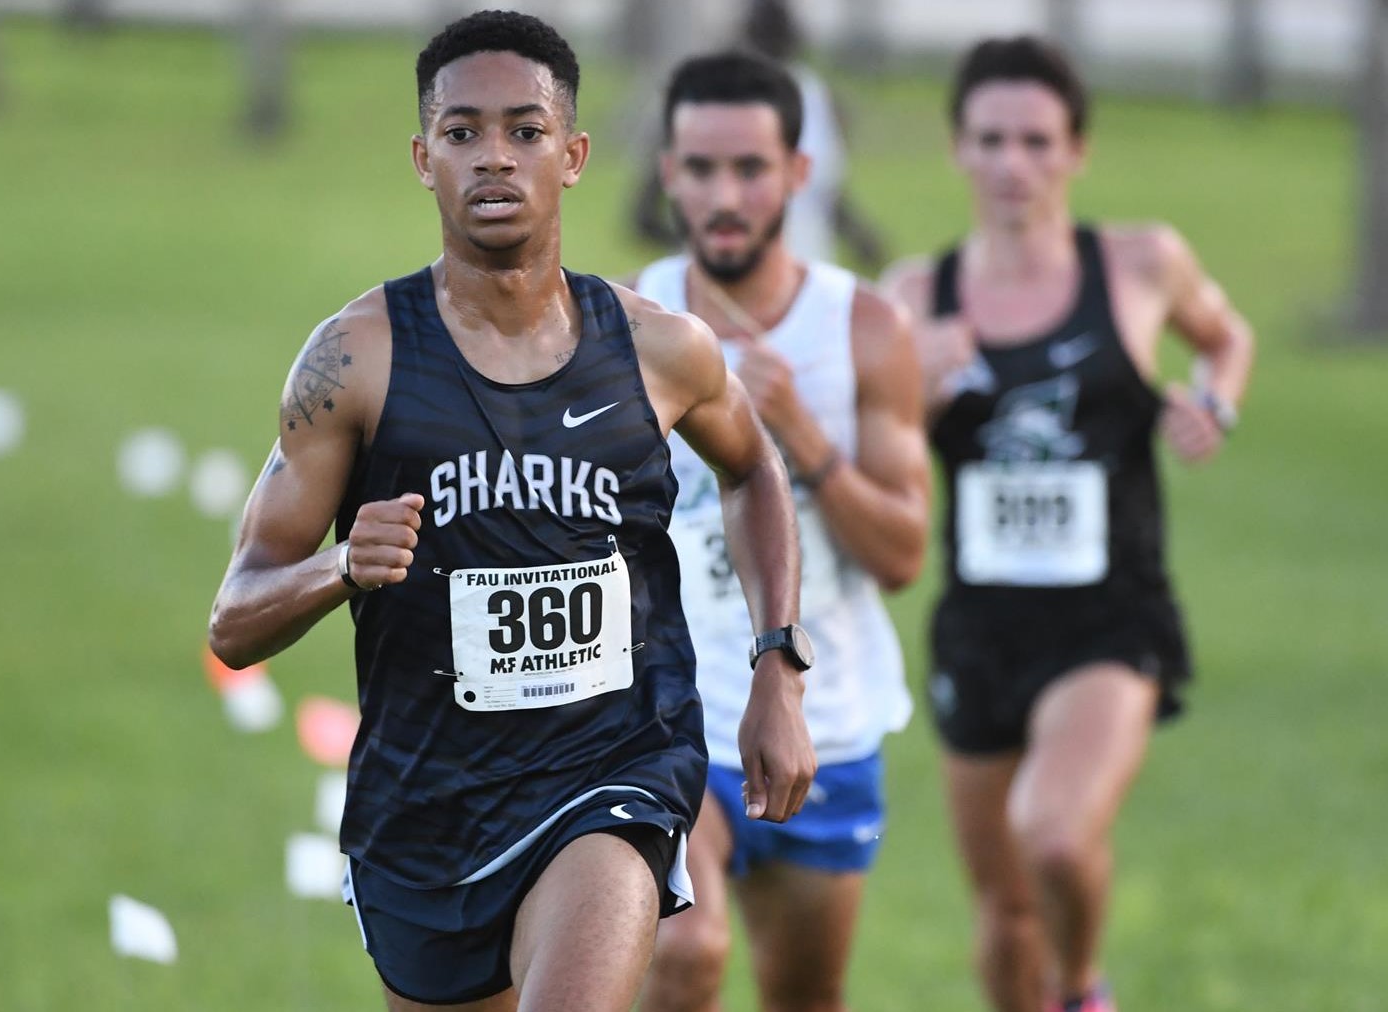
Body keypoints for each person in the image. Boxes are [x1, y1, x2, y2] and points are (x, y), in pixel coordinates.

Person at [205, 12, 817, 1011]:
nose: (494, 157)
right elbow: (233, 619)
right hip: (426, 805)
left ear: (571, 155)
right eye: (462, 132)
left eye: (524, 131)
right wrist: (338, 568)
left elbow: (752, 470)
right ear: (421, 156)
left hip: (611, 769)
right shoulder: (352, 361)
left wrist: (776, 664)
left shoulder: (660, 351)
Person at [882, 37, 1256, 1012]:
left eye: (1037, 141)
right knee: (1004, 913)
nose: (1014, 164)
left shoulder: (1137, 265)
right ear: (957, 149)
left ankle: (1083, 988)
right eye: (990, 139)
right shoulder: (915, 298)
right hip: (980, 625)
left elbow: (1224, 337)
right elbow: (875, 461)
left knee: (1050, 830)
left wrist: (1209, 403)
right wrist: (912, 394)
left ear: (1076, 151)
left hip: (1109, 621)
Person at [624, 51, 928, 1012]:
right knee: (685, 953)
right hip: (668, 714)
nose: (723, 194)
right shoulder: (626, 321)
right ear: (667, 172)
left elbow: (904, 554)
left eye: (750, 169)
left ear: (800, 174)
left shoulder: (864, 330)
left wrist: (798, 437)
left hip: (822, 724)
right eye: (700, 168)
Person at [632, 0, 885, 270]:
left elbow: (821, 192)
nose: (728, 198)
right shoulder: (697, 106)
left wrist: (857, 235)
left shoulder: (817, 99)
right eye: (702, 170)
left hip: (804, 267)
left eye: (752, 168)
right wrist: (706, 252)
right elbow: (644, 214)